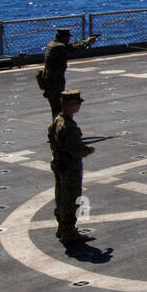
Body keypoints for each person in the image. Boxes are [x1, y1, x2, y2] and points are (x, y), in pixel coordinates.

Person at [47, 90, 94, 245]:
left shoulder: (57, 121)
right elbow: (75, 149)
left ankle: (62, 227)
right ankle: (68, 232)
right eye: (76, 103)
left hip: (59, 163)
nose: (78, 106)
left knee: (60, 197)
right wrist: (88, 150)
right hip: (69, 166)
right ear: (69, 105)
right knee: (71, 198)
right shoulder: (68, 126)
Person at [39, 28, 98, 117]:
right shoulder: (59, 47)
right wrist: (87, 42)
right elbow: (73, 48)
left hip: (50, 80)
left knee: (56, 107)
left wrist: (86, 41)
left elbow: (70, 45)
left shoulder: (52, 45)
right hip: (54, 82)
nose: (68, 39)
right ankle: (57, 128)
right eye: (67, 37)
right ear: (64, 37)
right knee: (58, 108)